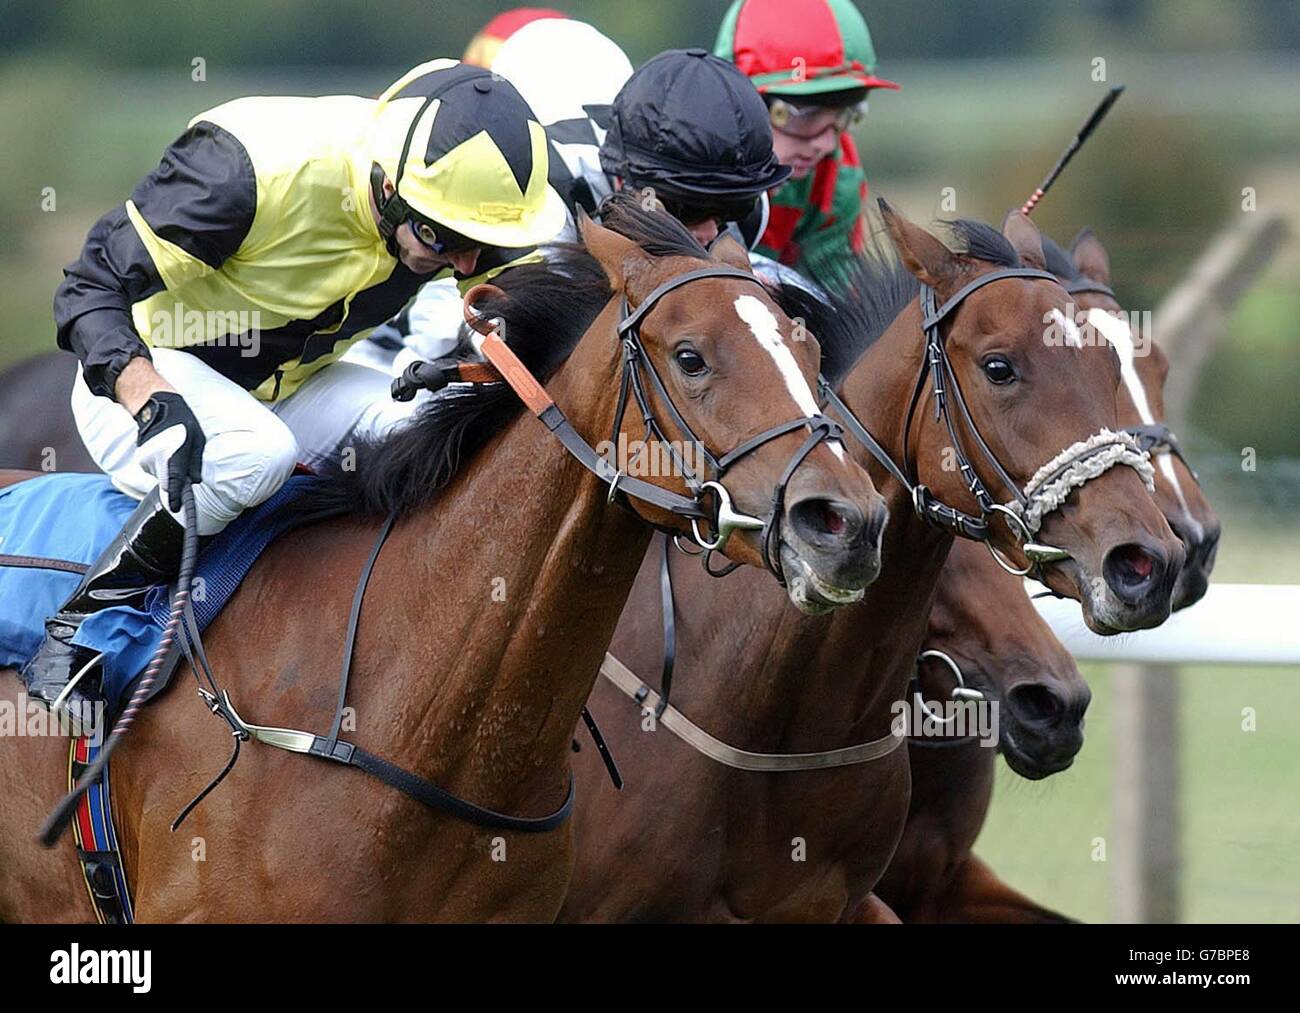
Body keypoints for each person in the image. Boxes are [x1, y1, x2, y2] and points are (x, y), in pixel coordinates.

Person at [24, 59, 567, 719]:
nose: (461, 264)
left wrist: (468, 362)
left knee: (433, 429)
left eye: (478, 245)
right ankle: (74, 629)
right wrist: (148, 395)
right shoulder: (240, 173)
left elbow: (521, 302)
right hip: (148, 371)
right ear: (387, 186)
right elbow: (87, 287)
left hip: (290, 382)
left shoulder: (459, 215)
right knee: (256, 453)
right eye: (441, 239)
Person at [364, 25, 790, 370]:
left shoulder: (746, 216)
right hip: (389, 347)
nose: (709, 232)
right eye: (687, 208)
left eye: (733, 208)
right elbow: (446, 348)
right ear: (622, 180)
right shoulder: (542, 200)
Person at [714, 0, 899, 288]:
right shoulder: (680, 166)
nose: (826, 144)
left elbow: (835, 307)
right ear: (739, 103)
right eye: (807, 118)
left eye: (844, 118)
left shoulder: (838, 175)